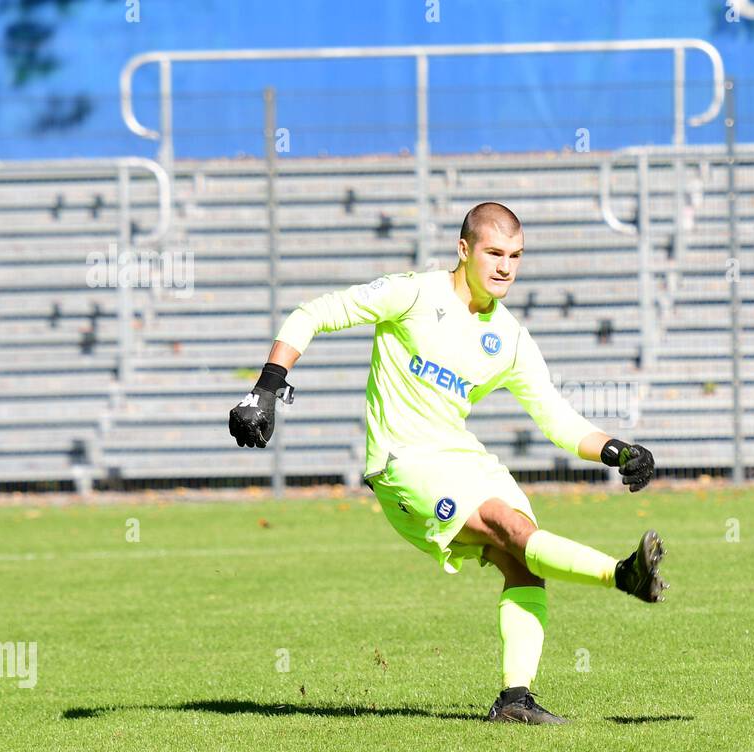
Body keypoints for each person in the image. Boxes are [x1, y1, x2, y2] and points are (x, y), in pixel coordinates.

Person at [228, 202, 668, 724]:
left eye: (516, 256)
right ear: (464, 250)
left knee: (521, 557)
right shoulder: (414, 293)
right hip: (403, 462)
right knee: (508, 526)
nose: (506, 266)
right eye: (494, 253)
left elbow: (556, 417)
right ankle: (621, 576)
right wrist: (266, 390)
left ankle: (515, 699)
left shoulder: (509, 338)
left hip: (459, 454)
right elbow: (313, 313)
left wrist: (615, 450)